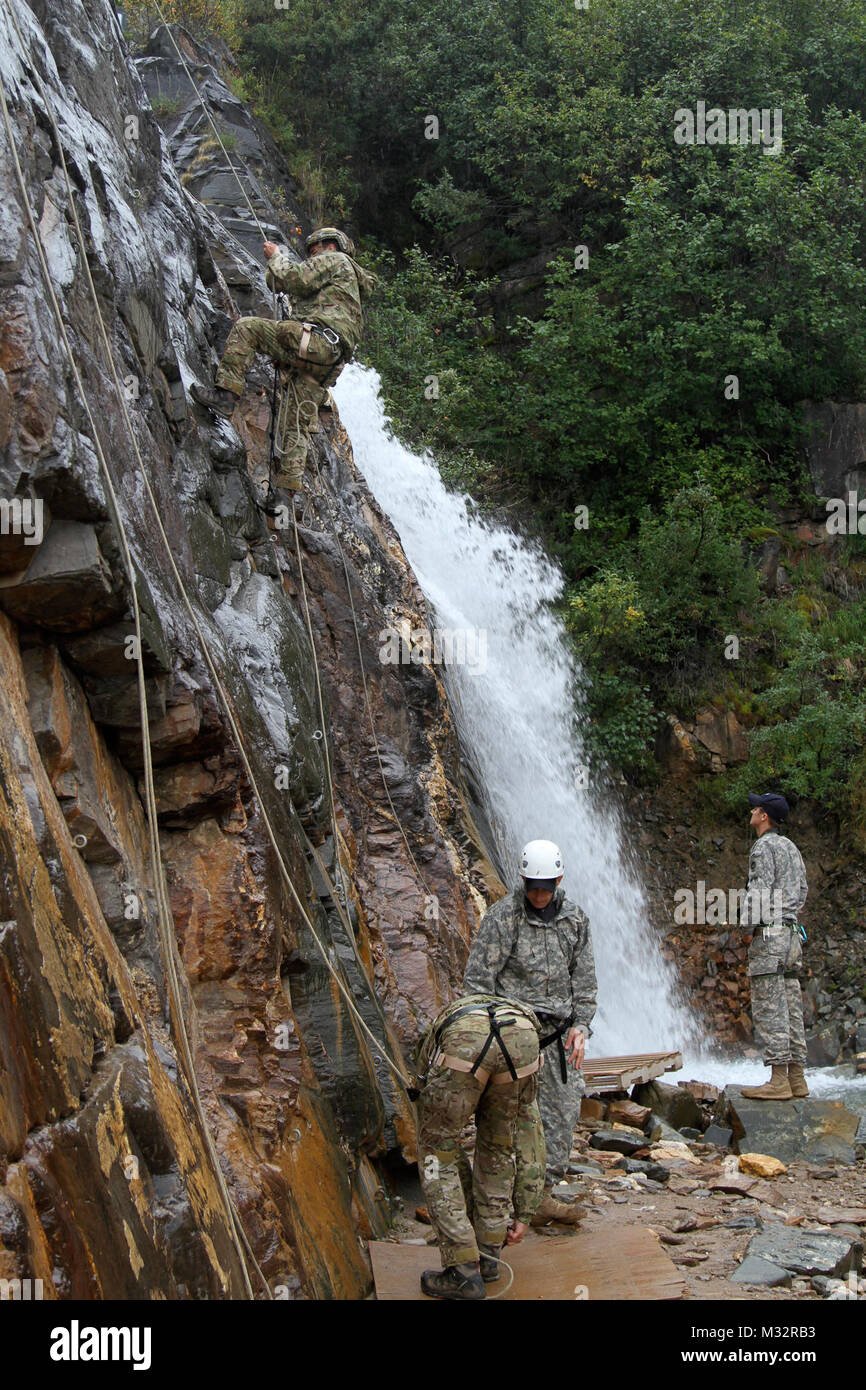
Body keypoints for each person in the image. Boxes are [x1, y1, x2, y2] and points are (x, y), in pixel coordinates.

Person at [463, 839, 597, 1224]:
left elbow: (585, 982)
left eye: (546, 888)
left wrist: (582, 1026)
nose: (539, 895)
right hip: (513, 1034)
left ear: (558, 880)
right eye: (532, 888)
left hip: (559, 1037)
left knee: (562, 1116)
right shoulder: (503, 918)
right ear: (522, 880)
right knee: (508, 1120)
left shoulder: (575, 920)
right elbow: (477, 982)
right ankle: (494, 1203)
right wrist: (496, 1035)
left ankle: (541, 1195)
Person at [191, 227, 377, 489]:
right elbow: (279, 284)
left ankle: (225, 397)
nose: (313, 257)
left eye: (315, 252)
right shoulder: (346, 288)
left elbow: (295, 278)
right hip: (326, 361)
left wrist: (276, 255)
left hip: (316, 342)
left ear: (331, 246)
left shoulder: (337, 260)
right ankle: (284, 495)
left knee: (247, 328)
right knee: (295, 422)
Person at [415, 992, 546, 1301]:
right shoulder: (522, 1016)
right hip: (521, 1040)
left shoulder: (439, 1028)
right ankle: (489, 1253)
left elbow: (423, 1085)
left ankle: (462, 1268)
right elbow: (529, 1137)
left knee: (437, 1149)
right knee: (500, 1144)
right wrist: (525, 1213)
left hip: (465, 1042)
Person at [738, 792, 809, 1101]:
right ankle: (797, 1078)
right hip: (793, 935)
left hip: (770, 936)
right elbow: (803, 888)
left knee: (770, 1004)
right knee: (791, 1002)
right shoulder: (791, 848)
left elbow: (759, 890)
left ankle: (778, 1079)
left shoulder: (763, 847)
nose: (752, 810)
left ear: (764, 816)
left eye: (756, 807)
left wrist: (746, 928)